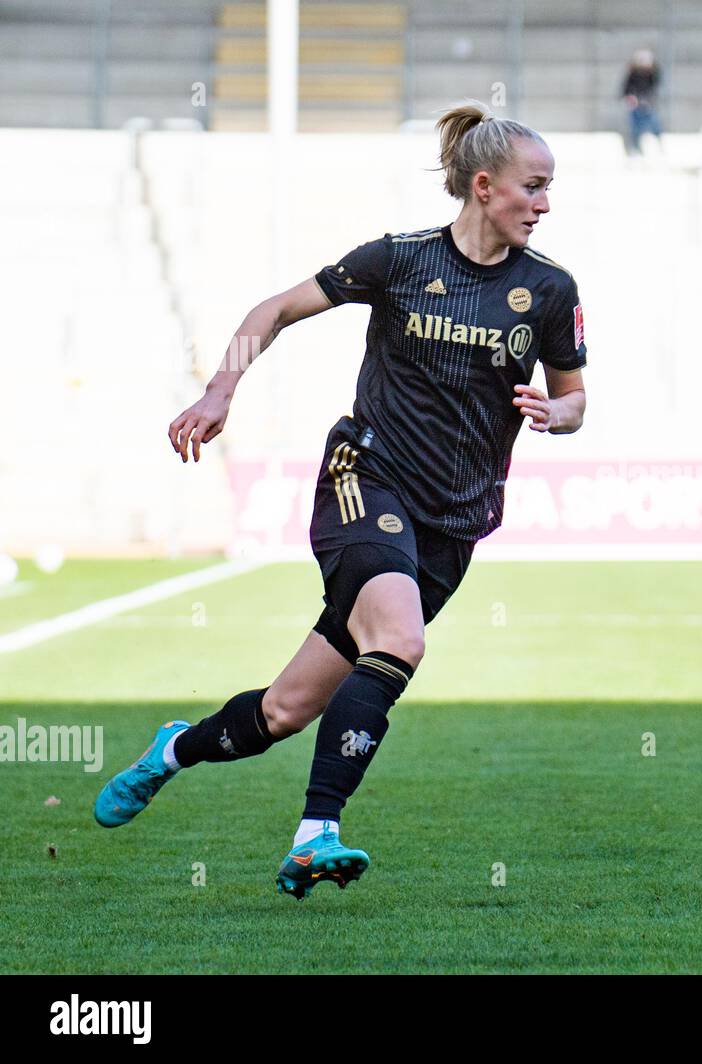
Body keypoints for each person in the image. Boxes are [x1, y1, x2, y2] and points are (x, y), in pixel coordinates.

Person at [93, 103, 590, 900]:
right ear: (485, 186)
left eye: (550, 189)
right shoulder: (398, 260)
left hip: (453, 524)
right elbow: (277, 310)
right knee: (400, 638)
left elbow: (574, 400)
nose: (545, 203)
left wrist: (555, 413)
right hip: (366, 475)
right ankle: (316, 832)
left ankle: (173, 750)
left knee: (284, 712)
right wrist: (222, 388)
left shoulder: (551, 289)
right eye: (534, 187)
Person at [622, 49, 662, 156]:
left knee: (655, 126)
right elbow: (626, 88)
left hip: (648, 104)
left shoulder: (652, 75)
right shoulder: (633, 74)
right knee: (635, 128)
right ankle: (635, 149)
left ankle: (658, 147)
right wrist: (631, 97)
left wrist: (648, 99)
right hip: (635, 106)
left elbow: (655, 85)